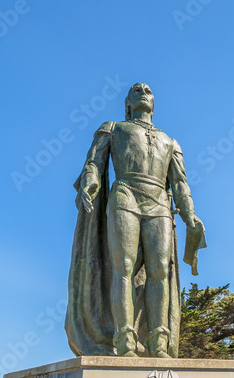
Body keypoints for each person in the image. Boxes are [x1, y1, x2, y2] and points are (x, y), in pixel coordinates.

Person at [68, 83, 206, 358]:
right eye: (136, 90)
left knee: (159, 271)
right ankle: (125, 341)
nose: (143, 90)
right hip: (125, 195)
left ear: (153, 103)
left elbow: (180, 183)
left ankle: (158, 342)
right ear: (128, 104)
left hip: (158, 202)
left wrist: (190, 215)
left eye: (148, 90)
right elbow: (93, 163)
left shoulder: (170, 141)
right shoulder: (114, 128)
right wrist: (90, 182)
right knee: (124, 267)